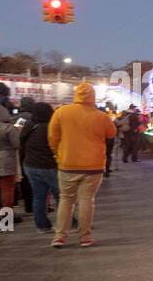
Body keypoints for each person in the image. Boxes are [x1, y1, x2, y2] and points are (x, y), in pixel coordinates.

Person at [48, 82, 117, 249]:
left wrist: (58, 154)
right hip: (93, 166)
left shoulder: (61, 112)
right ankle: (85, 237)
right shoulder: (100, 116)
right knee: (87, 200)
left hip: (67, 164)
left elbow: (52, 137)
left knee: (66, 200)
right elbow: (112, 133)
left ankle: (60, 236)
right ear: (93, 96)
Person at [20, 102, 60, 233]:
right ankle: (70, 222)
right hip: (49, 166)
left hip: (30, 165)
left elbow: (20, 141)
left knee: (38, 196)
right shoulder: (51, 126)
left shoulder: (28, 124)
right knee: (61, 196)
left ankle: (42, 226)